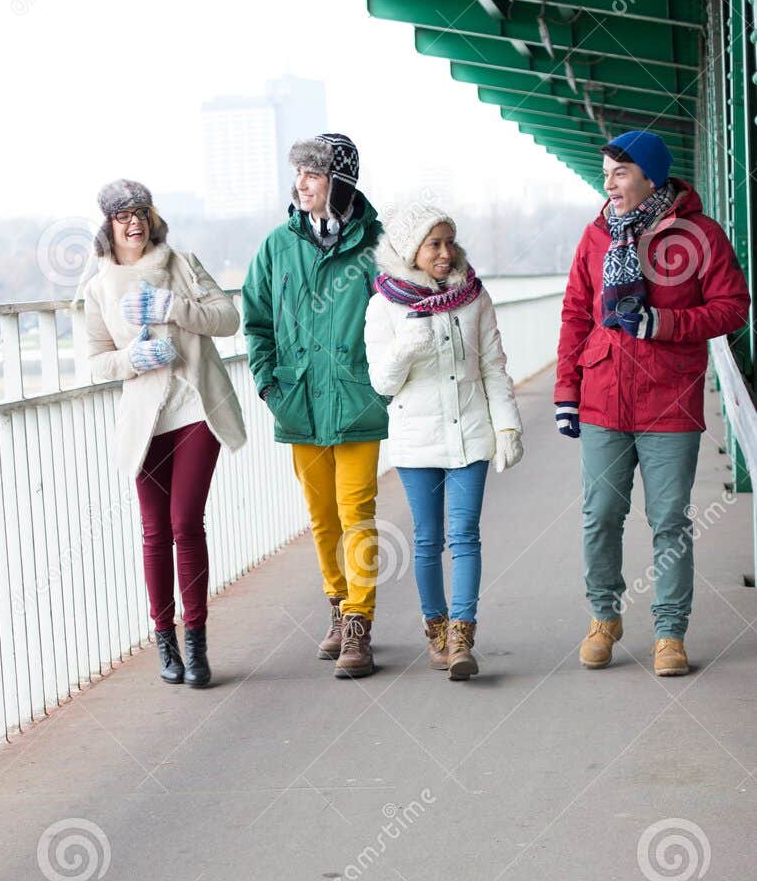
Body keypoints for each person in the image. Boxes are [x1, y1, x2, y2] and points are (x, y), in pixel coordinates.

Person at [555, 129, 750, 676]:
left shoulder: (700, 235)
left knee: (669, 520)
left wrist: (662, 323)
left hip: (670, 398)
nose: (608, 182)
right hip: (602, 399)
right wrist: (566, 393)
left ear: (649, 176)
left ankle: (669, 631)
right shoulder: (595, 236)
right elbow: (575, 314)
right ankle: (604, 617)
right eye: (606, 172)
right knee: (600, 517)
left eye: (619, 171)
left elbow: (733, 307)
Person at [83, 179, 246, 688]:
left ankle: (196, 643)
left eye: (140, 213)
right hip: (145, 421)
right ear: (108, 227)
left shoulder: (183, 264)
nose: (134, 223)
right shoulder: (98, 287)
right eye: (122, 216)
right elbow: (95, 365)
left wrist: (172, 309)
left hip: (197, 407)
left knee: (185, 523)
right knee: (154, 531)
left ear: (152, 218)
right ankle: (166, 643)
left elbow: (227, 319)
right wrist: (130, 359)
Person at [242, 133, 389, 678]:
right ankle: (337, 604)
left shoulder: (377, 245)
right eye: (298, 173)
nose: (300, 184)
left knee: (358, 512)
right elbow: (255, 321)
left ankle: (359, 624)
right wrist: (267, 384)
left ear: (340, 181)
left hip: (356, 399)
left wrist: (385, 381)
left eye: (312, 173)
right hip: (297, 400)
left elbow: (401, 315)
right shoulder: (276, 246)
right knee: (322, 518)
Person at [364, 203, 522, 679]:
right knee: (428, 540)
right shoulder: (383, 305)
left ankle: (462, 636)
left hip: (470, 435)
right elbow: (382, 383)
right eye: (434, 244)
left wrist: (507, 425)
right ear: (411, 251)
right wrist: (410, 341)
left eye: (449, 241)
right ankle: (435, 629)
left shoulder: (474, 297)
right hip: (417, 441)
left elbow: (493, 365)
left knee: (465, 536)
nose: (446, 252)